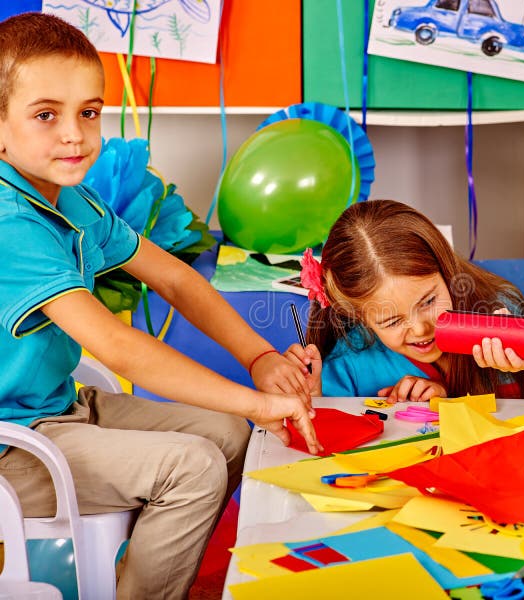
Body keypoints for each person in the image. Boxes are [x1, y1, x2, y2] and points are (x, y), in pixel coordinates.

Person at [0, 12, 319, 599]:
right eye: (46, 115)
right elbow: (121, 347)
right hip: (11, 446)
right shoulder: (10, 222)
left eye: (88, 113)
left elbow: (174, 279)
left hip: (57, 410)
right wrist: (260, 400)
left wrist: (257, 358)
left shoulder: (67, 197)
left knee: (227, 433)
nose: (74, 134)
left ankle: (138, 577)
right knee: (192, 469)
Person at [285, 199, 524, 404]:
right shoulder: (350, 361)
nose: (421, 329)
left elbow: (515, 420)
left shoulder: (498, 314)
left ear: (446, 270)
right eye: (392, 320)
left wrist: (446, 401)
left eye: (428, 301)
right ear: (359, 317)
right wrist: (313, 398)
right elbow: (323, 435)